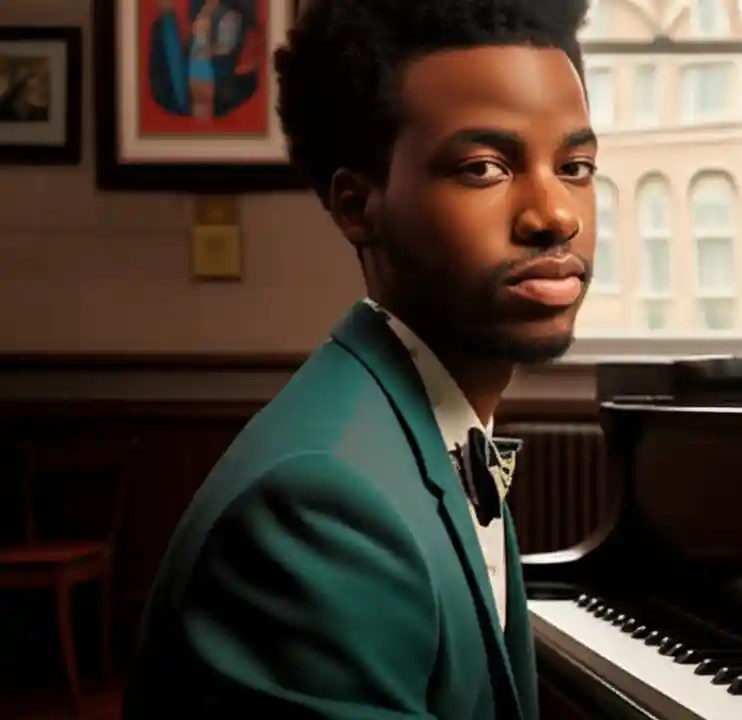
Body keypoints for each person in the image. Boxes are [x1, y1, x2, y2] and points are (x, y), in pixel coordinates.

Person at [121, 0, 594, 718]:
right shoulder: (322, 507)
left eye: (576, 165)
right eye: (484, 167)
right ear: (356, 205)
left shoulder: (419, 420)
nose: (556, 213)